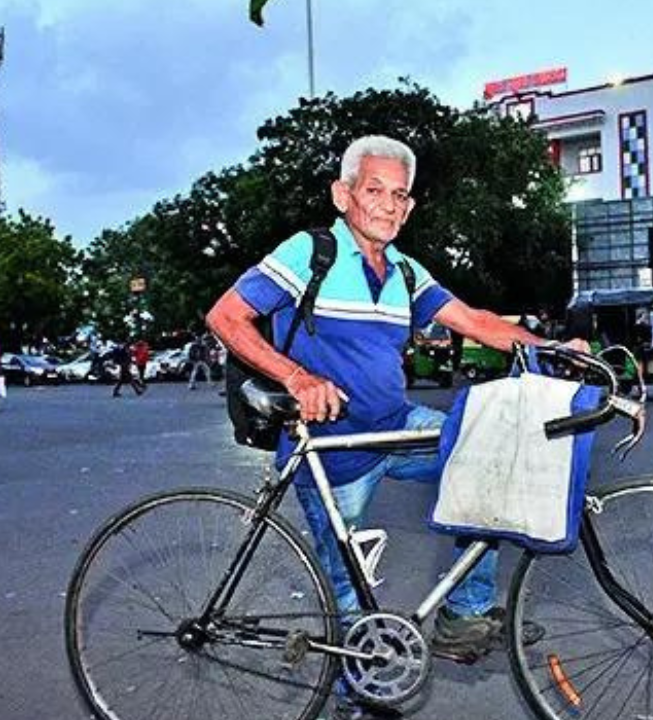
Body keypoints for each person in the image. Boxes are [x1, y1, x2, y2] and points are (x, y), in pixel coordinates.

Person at [206, 136, 573, 703]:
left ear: (410, 206)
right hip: (332, 451)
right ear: (343, 194)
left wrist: (558, 349)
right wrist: (298, 379)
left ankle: (465, 614)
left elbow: (475, 321)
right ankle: (347, 704)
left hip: (397, 429)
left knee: (486, 455)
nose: (387, 204)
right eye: (374, 190)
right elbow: (226, 316)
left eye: (399, 194)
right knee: (355, 627)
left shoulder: (403, 270)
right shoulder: (311, 253)